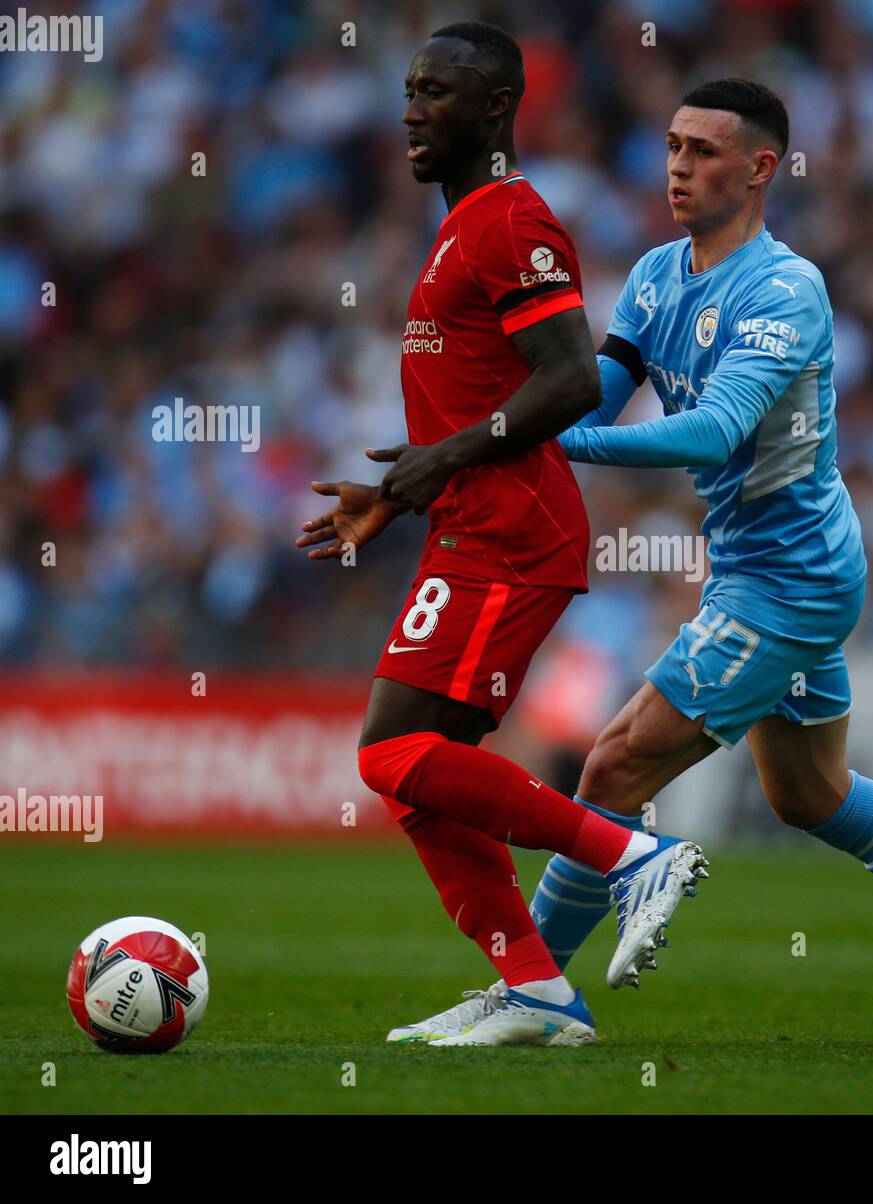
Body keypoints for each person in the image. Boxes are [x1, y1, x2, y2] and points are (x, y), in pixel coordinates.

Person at [408, 78, 873, 1048]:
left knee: (612, 762)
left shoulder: (784, 289)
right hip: (752, 564)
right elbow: (591, 393)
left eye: (704, 152)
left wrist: (535, 447)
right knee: (809, 794)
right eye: (673, 146)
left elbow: (718, 429)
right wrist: (505, 421)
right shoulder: (652, 274)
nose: (678, 166)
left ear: (761, 168)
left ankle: (534, 990)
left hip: (791, 576)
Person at [296, 22, 706, 1048]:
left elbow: (571, 378)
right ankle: (535, 986)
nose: (410, 109)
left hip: (511, 534)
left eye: (436, 91)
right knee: (417, 769)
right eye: (407, 89)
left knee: (393, 752)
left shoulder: (512, 219)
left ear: (494, 107)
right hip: (464, 528)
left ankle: (628, 855)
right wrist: (399, 492)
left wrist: (444, 459)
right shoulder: (458, 225)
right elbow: (477, 398)